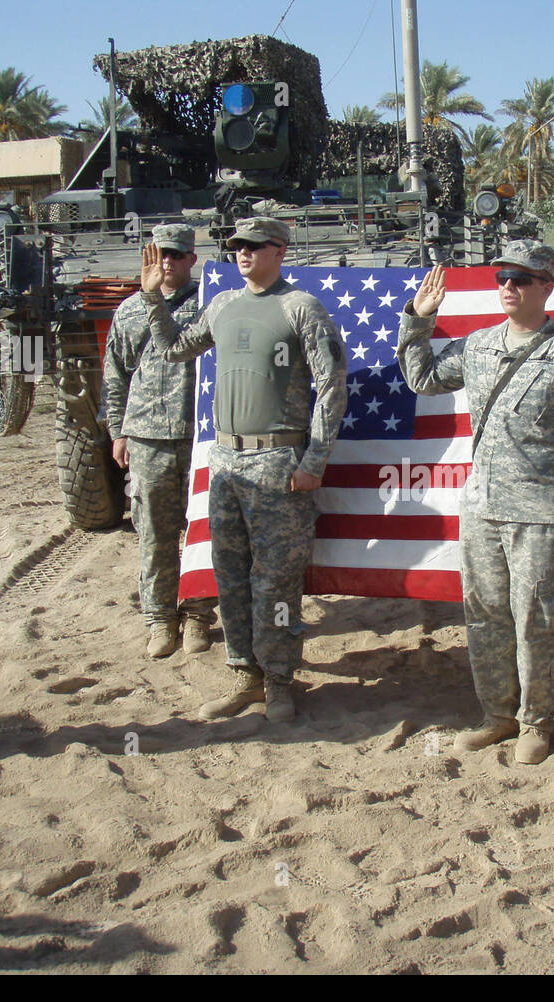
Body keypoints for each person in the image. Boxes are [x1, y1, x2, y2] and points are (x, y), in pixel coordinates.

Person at [396, 241, 554, 765]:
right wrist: (418, 322)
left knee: (535, 618)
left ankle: (536, 720)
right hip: (481, 509)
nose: (508, 287)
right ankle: (496, 715)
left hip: (539, 513)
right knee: (484, 614)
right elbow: (421, 379)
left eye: (521, 277)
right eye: (501, 278)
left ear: (547, 286)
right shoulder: (478, 346)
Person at [139, 216, 346, 721]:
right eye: (237, 246)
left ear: (280, 250)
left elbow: (332, 386)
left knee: (275, 581)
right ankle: (244, 676)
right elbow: (173, 349)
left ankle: (279, 680)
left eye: (255, 245)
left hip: (279, 462)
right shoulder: (223, 305)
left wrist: (314, 459)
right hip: (226, 460)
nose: (243, 253)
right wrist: (153, 302)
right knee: (229, 575)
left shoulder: (301, 308)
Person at [103, 223, 217, 658]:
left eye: (176, 254)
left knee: (200, 531)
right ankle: (159, 618)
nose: (167, 262)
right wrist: (118, 432)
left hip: (200, 435)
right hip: (148, 436)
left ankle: (198, 616)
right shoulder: (130, 311)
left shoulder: (209, 307)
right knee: (153, 531)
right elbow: (115, 375)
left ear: (191, 259)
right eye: (160, 254)